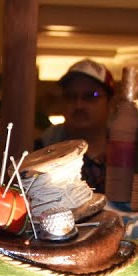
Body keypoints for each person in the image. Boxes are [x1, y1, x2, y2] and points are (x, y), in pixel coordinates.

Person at [39, 60, 115, 193]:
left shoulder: (130, 153)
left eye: (91, 96)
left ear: (110, 104)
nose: (79, 105)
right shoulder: (41, 154)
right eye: (70, 96)